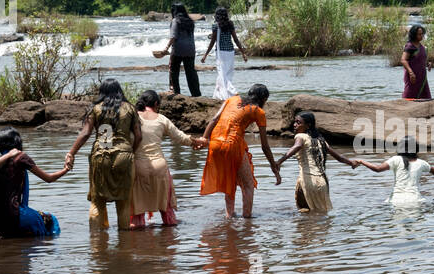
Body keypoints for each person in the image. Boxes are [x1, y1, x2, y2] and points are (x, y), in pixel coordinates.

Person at [64, 78, 143, 230]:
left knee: (97, 203)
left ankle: (96, 245)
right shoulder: (130, 108)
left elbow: (86, 133)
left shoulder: (96, 108)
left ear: (102, 92)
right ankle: (124, 245)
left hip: (101, 155)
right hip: (124, 156)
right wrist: (129, 152)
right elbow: (138, 136)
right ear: (120, 91)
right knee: (124, 204)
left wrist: (71, 153)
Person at [195, 83, 280, 219]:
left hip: (215, 144)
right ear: (263, 99)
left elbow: (214, 119)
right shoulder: (258, 111)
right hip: (232, 145)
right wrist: (273, 166)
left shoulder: (232, 99)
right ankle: (247, 219)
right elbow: (264, 146)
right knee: (248, 184)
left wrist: (204, 139)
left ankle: (230, 216)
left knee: (230, 181)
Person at [129, 90, 196, 227]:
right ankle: (168, 244)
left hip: (138, 167)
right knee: (167, 212)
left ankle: (135, 245)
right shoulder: (161, 119)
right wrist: (197, 142)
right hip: (159, 167)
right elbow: (180, 137)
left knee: (136, 214)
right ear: (156, 104)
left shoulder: (133, 118)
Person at [0, 128, 67, 238]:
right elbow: (49, 178)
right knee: (51, 220)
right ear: (17, 142)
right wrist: (66, 169)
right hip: (15, 216)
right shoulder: (21, 158)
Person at [277, 110, 360, 212]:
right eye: (295, 122)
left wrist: (280, 161)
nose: (295, 125)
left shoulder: (300, 136)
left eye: (298, 123)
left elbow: (297, 146)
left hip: (308, 181)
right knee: (321, 214)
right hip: (322, 182)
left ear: (308, 125)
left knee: (305, 212)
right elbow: (338, 157)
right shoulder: (321, 140)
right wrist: (351, 163)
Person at [357, 136, 434, 205]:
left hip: (396, 200)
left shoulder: (395, 159)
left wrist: (361, 161)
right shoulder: (422, 163)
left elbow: (377, 169)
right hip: (415, 200)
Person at [200, 6, 249, 100]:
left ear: (217, 15)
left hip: (221, 52)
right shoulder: (230, 24)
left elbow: (212, 42)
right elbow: (235, 39)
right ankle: (219, 94)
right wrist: (243, 53)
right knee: (228, 74)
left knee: (221, 73)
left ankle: (230, 93)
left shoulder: (215, 26)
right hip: (230, 52)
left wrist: (205, 55)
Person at [159, 2, 202, 97]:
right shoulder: (190, 21)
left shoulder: (176, 21)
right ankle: (196, 94)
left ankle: (176, 92)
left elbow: (173, 37)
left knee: (173, 71)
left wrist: (166, 48)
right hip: (190, 50)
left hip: (178, 50)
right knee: (191, 72)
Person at [401, 24, 431, 100]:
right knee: (410, 94)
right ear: (414, 35)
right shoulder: (410, 46)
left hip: (422, 75)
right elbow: (403, 60)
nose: (421, 36)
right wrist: (411, 73)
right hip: (412, 75)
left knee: (424, 95)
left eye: (422, 34)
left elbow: (421, 59)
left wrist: (428, 64)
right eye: (419, 34)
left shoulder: (422, 46)